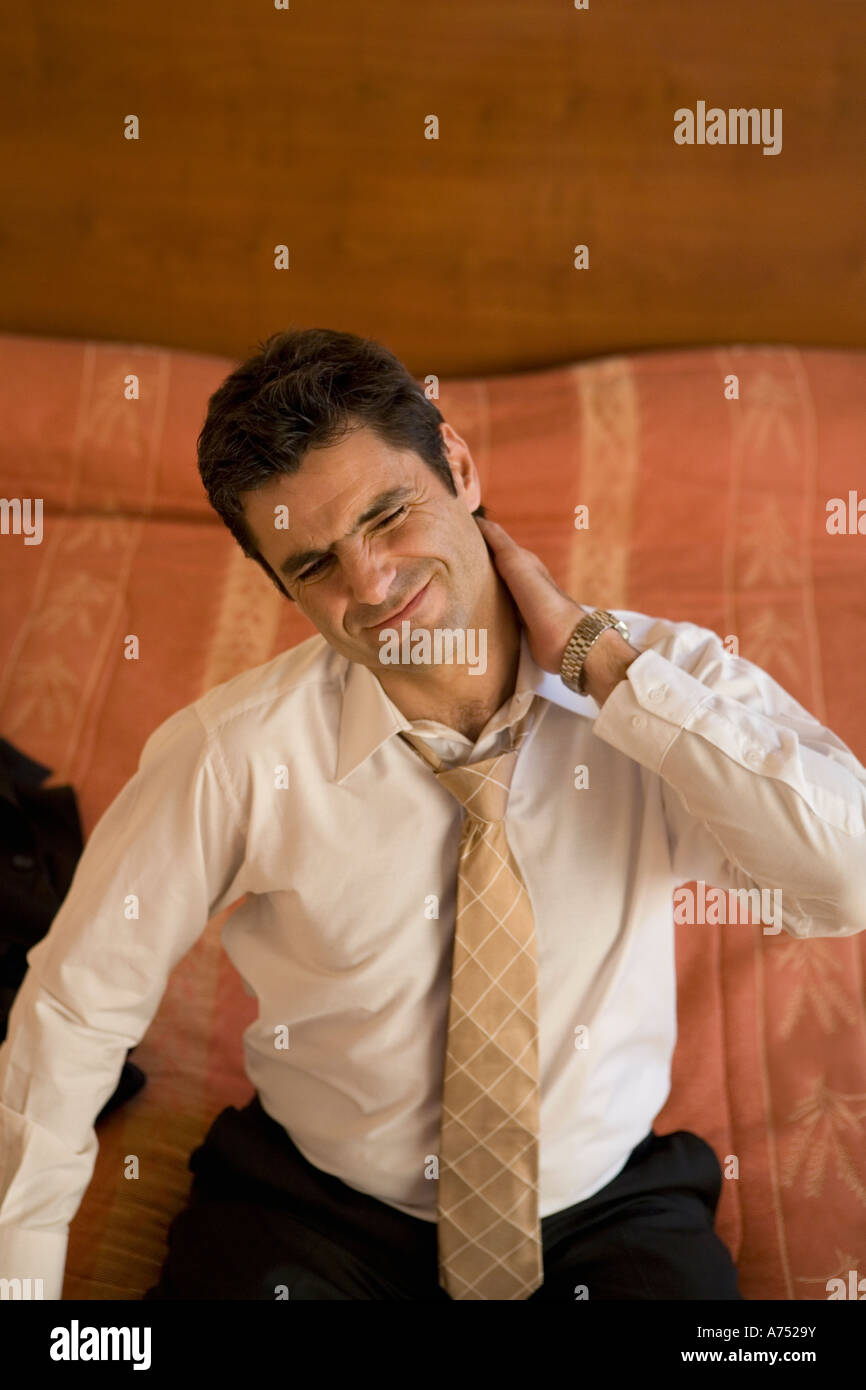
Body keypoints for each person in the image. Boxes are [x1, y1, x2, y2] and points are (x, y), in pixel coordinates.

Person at [1, 328, 864, 1302]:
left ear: (455, 461)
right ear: (276, 582)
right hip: (315, 1204)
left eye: (386, 513)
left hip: (601, 1200)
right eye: (313, 565)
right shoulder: (231, 755)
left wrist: (610, 675)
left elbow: (843, 881)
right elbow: (76, 1004)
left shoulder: (661, 682)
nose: (370, 584)